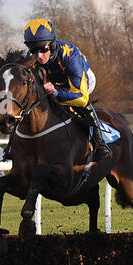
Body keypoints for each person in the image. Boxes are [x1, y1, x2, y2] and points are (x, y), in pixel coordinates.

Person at [22, 19, 111, 162]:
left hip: (78, 81)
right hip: (54, 81)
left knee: (80, 104)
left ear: (51, 45)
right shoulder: (31, 59)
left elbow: (81, 98)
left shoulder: (70, 55)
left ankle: (100, 143)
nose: (38, 56)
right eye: (33, 50)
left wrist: (57, 93)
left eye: (43, 49)